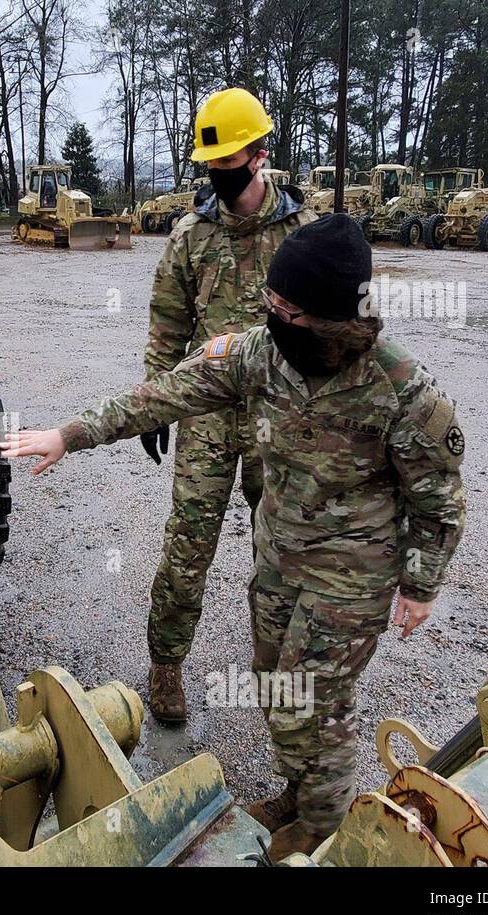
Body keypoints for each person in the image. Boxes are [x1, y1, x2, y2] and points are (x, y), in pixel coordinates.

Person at [0, 215, 466, 858]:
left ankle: (324, 827)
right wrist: (69, 435)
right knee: (273, 682)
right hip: (278, 558)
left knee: (315, 701)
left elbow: (439, 500)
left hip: (353, 575)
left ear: (330, 319)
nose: (270, 314)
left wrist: (420, 586)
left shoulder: (402, 391)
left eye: (285, 307)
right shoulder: (261, 352)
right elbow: (168, 393)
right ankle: (299, 794)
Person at [140, 87, 316, 722]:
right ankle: (166, 666)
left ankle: (279, 672)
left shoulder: (302, 231)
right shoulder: (192, 235)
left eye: (228, 165)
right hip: (210, 415)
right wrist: (157, 400)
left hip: (281, 418)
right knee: (188, 547)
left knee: (283, 550)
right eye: (209, 167)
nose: (218, 177)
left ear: (260, 156)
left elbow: (330, 327)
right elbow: (166, 325)